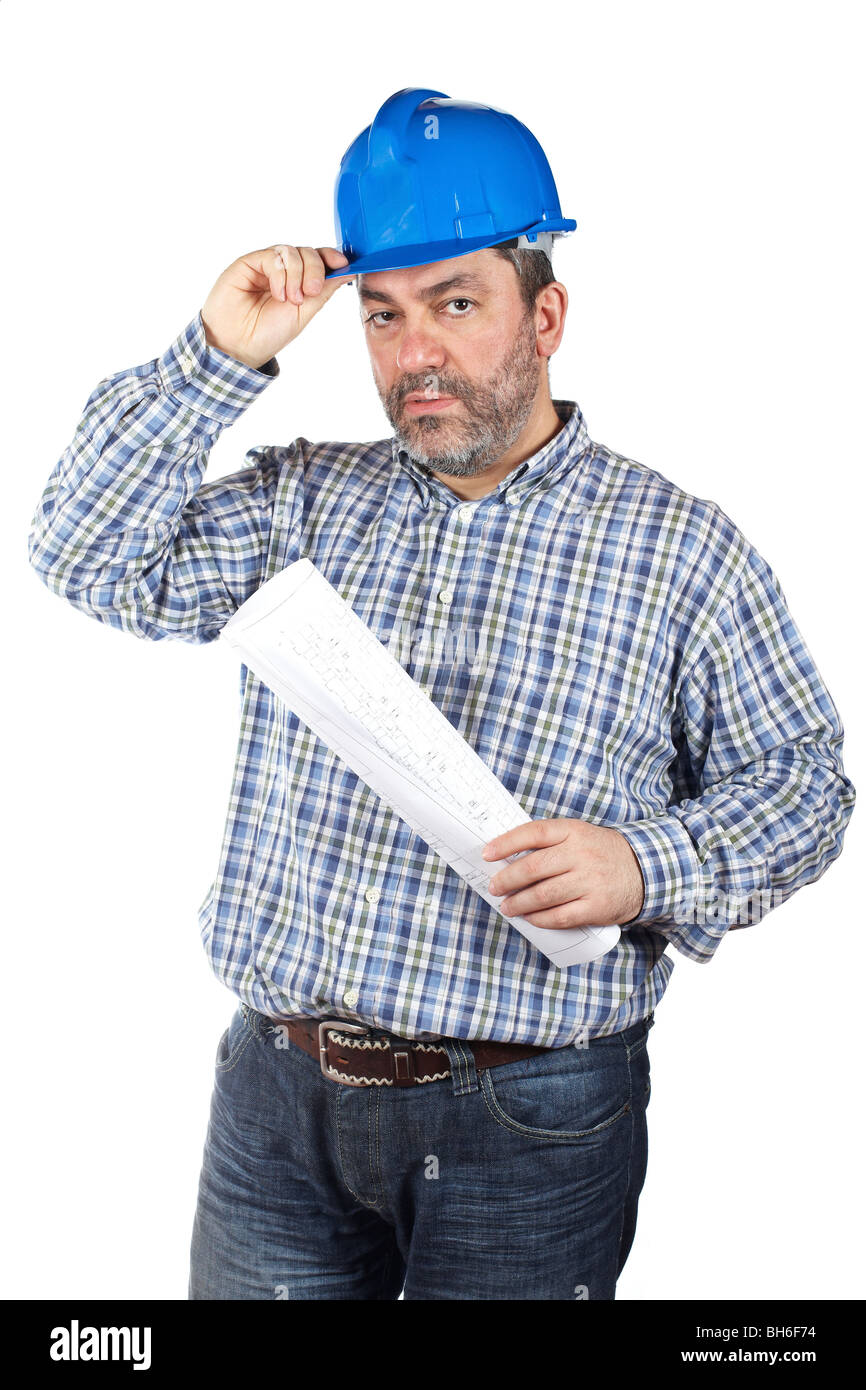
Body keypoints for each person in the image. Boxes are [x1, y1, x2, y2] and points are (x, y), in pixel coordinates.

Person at [27, 89, 855, 1301]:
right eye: (381, 315)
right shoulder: (302, 503)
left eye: (454, 304)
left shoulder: (683, 550)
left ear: (545, 311)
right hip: (275, 1103)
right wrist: (219, 351)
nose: (413, 354)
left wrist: (646, 863)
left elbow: (803, 787)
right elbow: (84, 555)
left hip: (528, 1119)